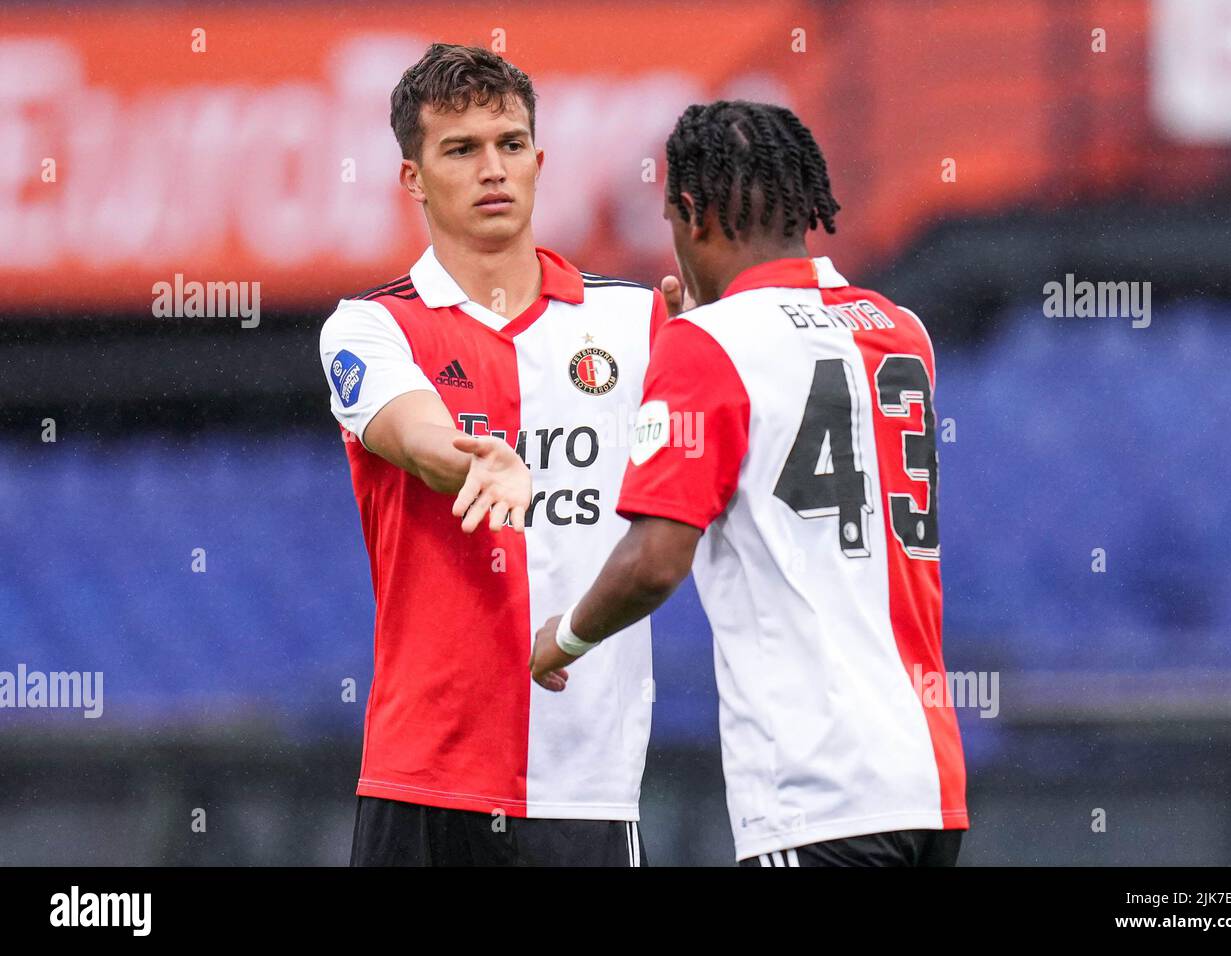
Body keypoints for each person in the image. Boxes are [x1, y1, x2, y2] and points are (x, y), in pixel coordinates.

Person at [531, 100, 968, 867]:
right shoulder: (902, 329)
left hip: (816, 790)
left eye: (671, 219)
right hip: (928, 784)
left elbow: (656, 559)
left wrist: (564, 638)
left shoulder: (707, 345)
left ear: (693, 213)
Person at [319, 43, 666, 866]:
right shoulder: (370, 328)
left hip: (583, 783)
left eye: (510, 145)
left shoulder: (636, 324)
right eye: (461, 149)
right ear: (413, 178)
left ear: (539, 161)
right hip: (423, 781)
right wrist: (475, 459)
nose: (493, 169)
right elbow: (410, 430)